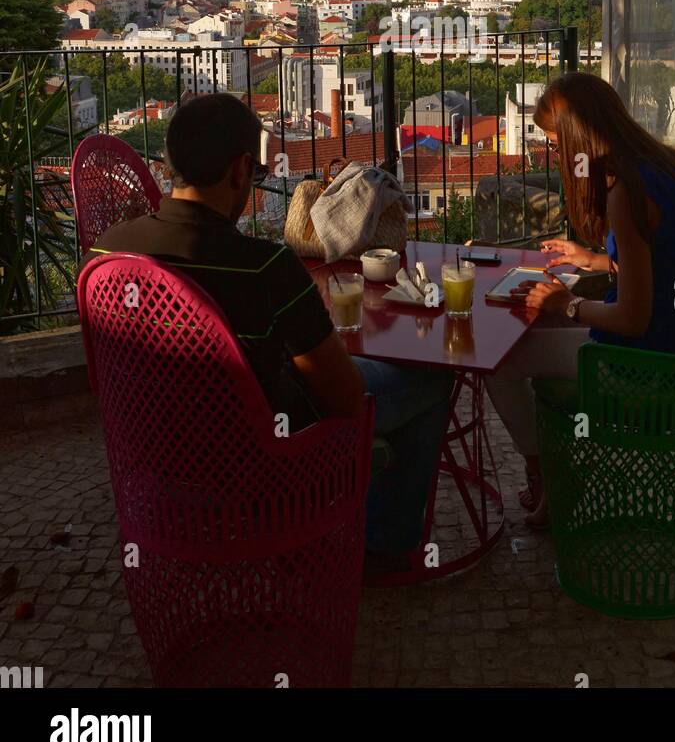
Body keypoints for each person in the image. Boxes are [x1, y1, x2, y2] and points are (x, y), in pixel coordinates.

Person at [85, 92, 453, 577]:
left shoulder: (106, 252)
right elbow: (343, 398)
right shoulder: (266, 267)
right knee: (432, 379)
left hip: (154, 454)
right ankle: (382, 548)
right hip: (261, 460)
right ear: (241, 170)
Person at [485, 72, 675, 528]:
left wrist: (566, 305)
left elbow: (632, 318)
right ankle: (553, 471)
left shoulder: (625, 192)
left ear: (576, 138)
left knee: (500, 359)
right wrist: (594, 260)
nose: (554, 155)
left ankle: (548, 475)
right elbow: (662, 264)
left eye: (555, 144)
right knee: (536, 324)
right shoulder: (670, 167)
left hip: (652, 365)